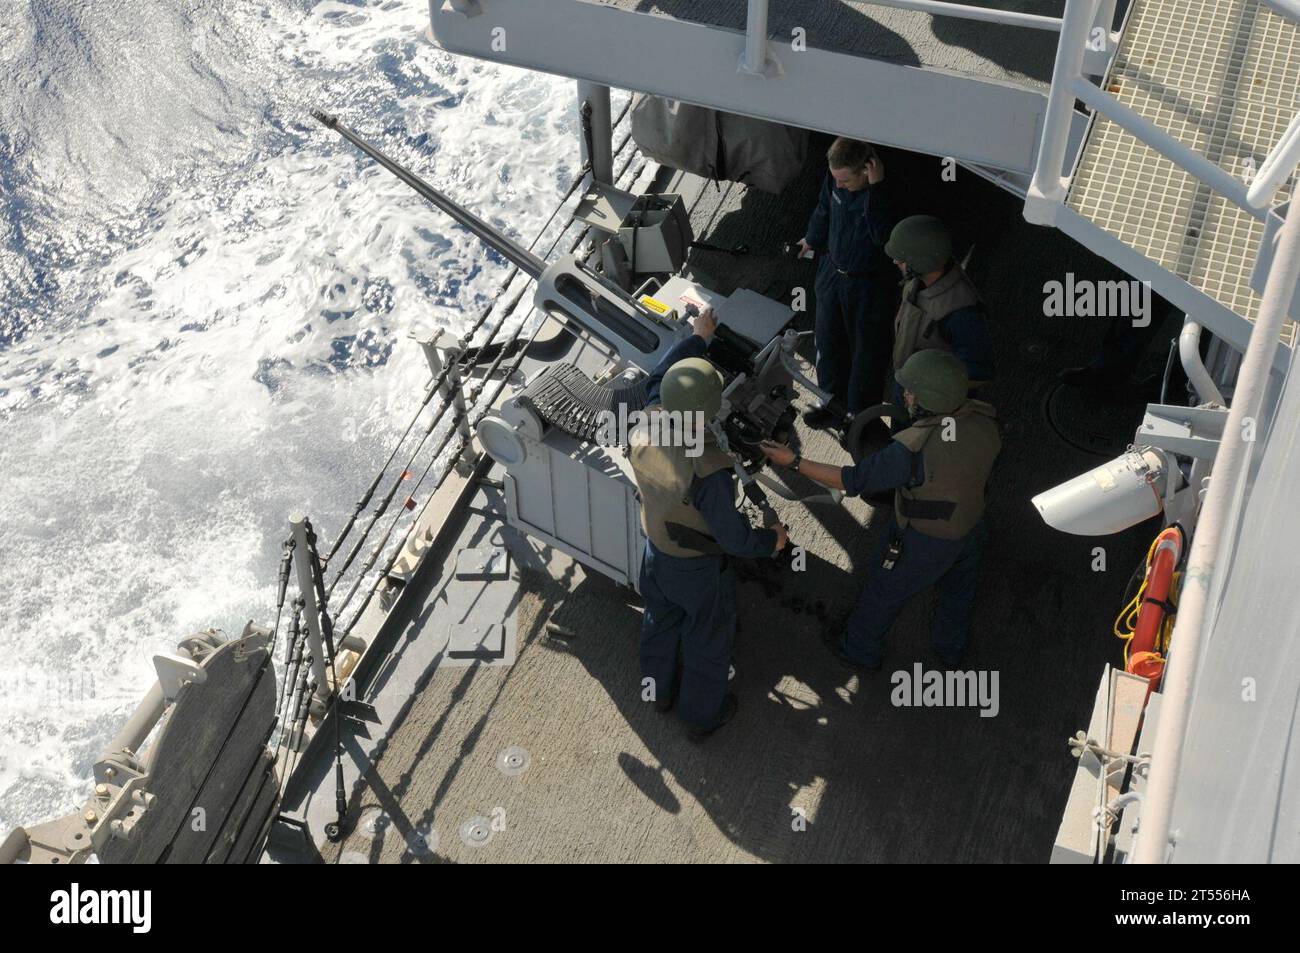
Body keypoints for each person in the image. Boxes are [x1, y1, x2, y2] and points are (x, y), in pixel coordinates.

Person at [760, 350, 999, 670]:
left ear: (931, 399)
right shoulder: (983, 419)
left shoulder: (911, 452)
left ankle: (859, 649)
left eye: (912, 391)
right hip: (970, 523)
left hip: (927, 539)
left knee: (884, 589)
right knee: (959, 588)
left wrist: (795, 462)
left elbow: (852, 479)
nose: (905, 395)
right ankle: (950, 648)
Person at [630, 306, 788, 741]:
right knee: (707, 638)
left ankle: (657, 691)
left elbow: (658, 378)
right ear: (704, 413)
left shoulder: (647, 419)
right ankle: (701, 718)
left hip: (655, 549)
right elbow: (733, 538)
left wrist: (698, 339)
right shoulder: (709, 470)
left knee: (659, 620)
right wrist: (771, 541)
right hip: (696, 568)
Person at [797, 137, 900, 426]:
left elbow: (885, 238)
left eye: (845, 181)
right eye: (835, 179)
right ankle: (830, 401)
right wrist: (812, 239)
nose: (838, 186)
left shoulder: (886, 194)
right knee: (827, 341)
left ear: (868, 171)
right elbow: (824, 208)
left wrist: (876, 191)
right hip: (833, 273)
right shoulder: (836, 181)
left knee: (867, 352)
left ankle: (860, 417)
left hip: (869, 284)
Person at [885, 215, 994, 409]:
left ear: (921, 261)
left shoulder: (960, 312)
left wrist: (927, 395)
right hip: (908, 390)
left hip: (930, 408)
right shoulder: (916, 283)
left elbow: (979, 371)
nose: (895, 262)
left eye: (902, 259)